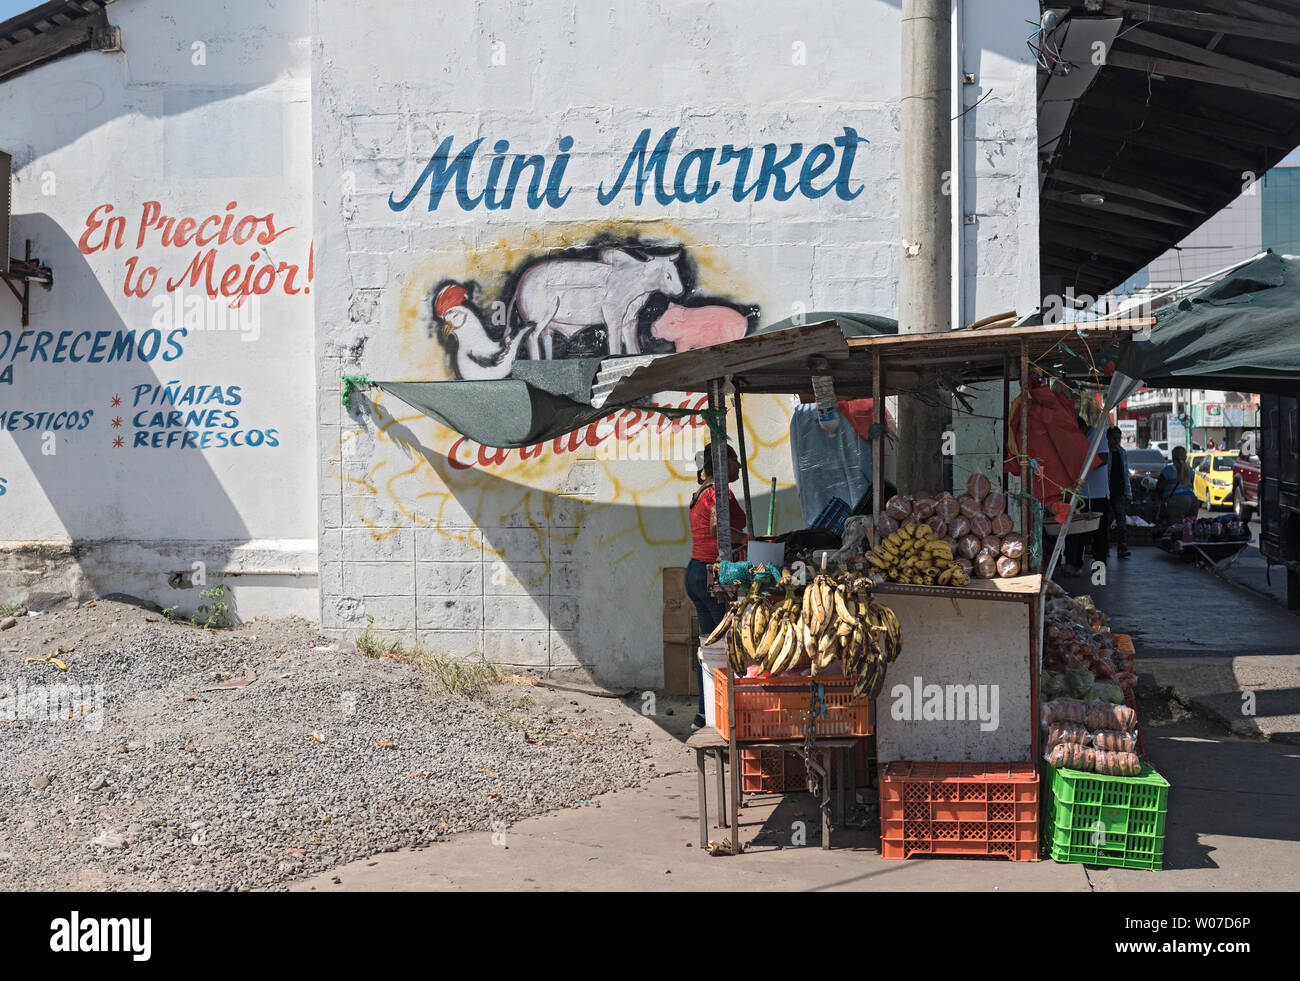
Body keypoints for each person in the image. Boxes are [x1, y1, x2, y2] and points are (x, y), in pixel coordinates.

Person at [685, 442, 748, 731]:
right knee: (724, 647)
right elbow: (716, 529)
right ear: (725, 463)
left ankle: (704, 715)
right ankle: (724, 716)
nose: (739, 467)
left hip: (696, 572)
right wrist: (748, 540)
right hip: (713, 576)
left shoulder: (700, 493)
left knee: (709, 647)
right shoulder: (718, 491)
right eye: (735, 461)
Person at [1064, 415, 1110, 575]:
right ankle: (1073, 565)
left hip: (1098, 494)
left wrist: (1083, 465)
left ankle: (1099, 569)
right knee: (1075, 531)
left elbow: (1104, 458)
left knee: (1099, 534)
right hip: (1078, 494)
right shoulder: (1073, 438)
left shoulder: (1098, 436)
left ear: (1082, 428)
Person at [1156, 445, 1199, 528]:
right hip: (1193, 501)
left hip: (1176, 501)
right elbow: (1192, 486)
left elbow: (1159, 487)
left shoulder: (1168, 470)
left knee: (1175, 529)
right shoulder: (1190, 470)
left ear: (1172, 457)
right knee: (1189, 528)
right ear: (1185, 457)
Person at [1106, 426, 1132, 559]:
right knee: (1106, 522)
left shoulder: (1122, 453)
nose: (1117, 441)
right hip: (1106, 492)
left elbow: (1125, 474)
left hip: (1119, 493)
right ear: (1108, 438)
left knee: (1121, 521)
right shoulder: (1105, 453)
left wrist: (1129, 493)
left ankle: (1122, 547)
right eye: (1114, 438)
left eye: (1118, 438)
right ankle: (1104, 547)